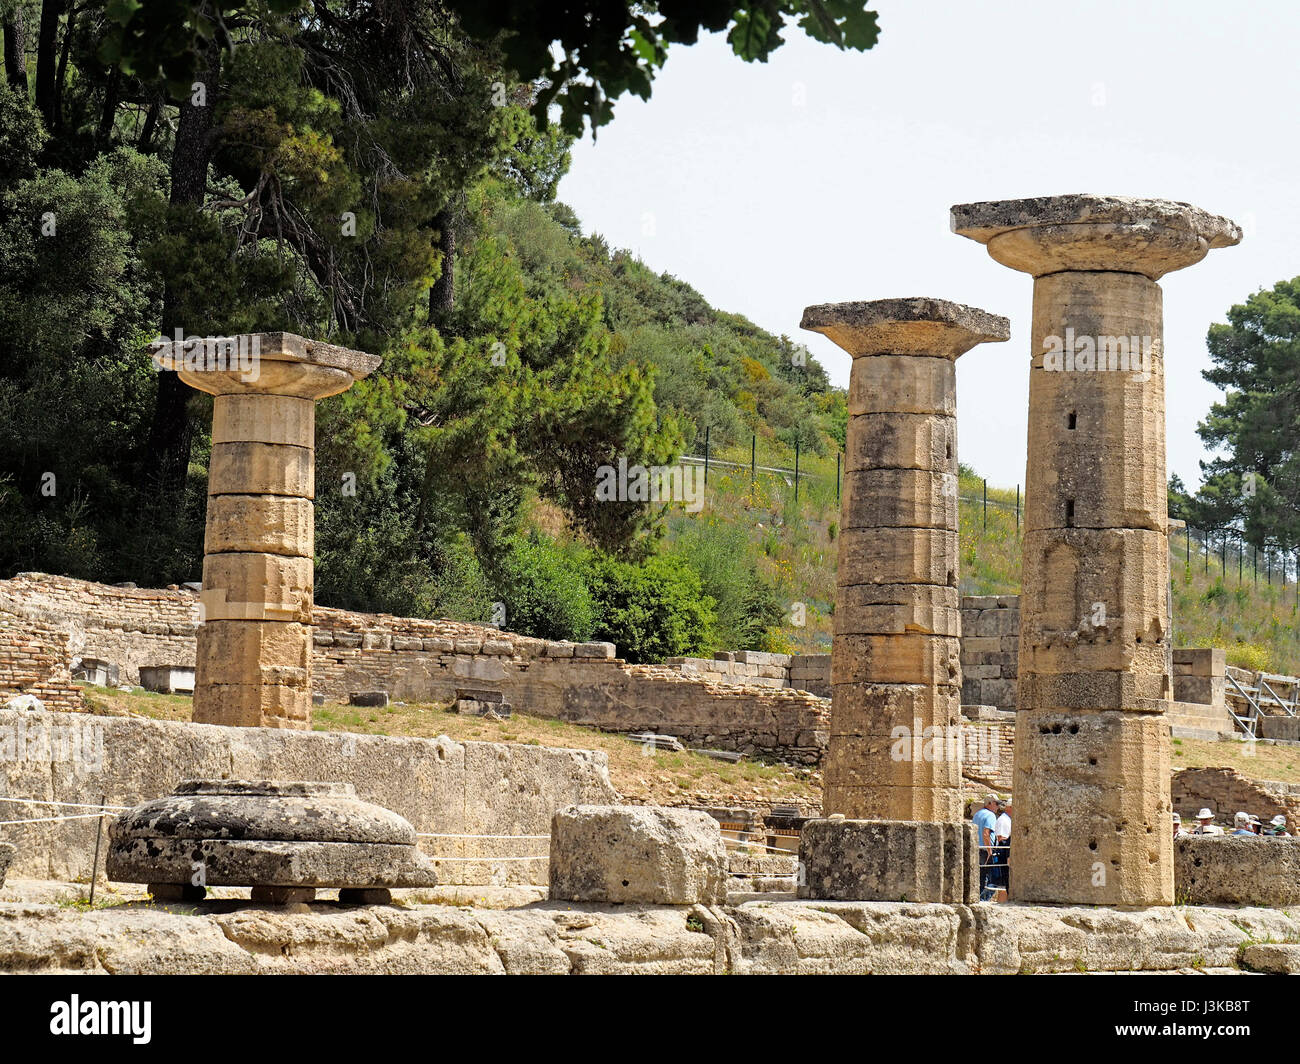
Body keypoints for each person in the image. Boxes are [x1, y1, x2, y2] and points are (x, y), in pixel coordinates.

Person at [972, 794, 999, 901]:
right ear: (989, 803)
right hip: (985, 850)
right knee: (990, 878)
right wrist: (990, 851)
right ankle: (982, 900)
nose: (998, 807)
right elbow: (986, 833)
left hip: (976, 848)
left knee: (979, 876)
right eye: (996, 804)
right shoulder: (990, 815)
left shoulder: (977, 814)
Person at [992, 801, 1012, 899]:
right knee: (1003, 883)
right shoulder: (1003, 820)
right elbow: (1001, 839)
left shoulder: (1008, 819)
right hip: (1004, 854)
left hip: (1007, 852)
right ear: (1010, 808)